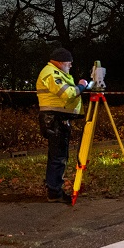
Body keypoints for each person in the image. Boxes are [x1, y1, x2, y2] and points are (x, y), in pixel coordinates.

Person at [36, 48, 88, 203]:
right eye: (68, 62)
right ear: (59, 61)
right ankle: (54, 191)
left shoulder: (56, 73)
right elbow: (68, 93)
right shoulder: (51, 74)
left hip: (57, 119)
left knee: (58, 155)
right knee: (58, 157)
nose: (71, 65)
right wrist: (81, 86)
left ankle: (54, 188)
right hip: (54, 120)